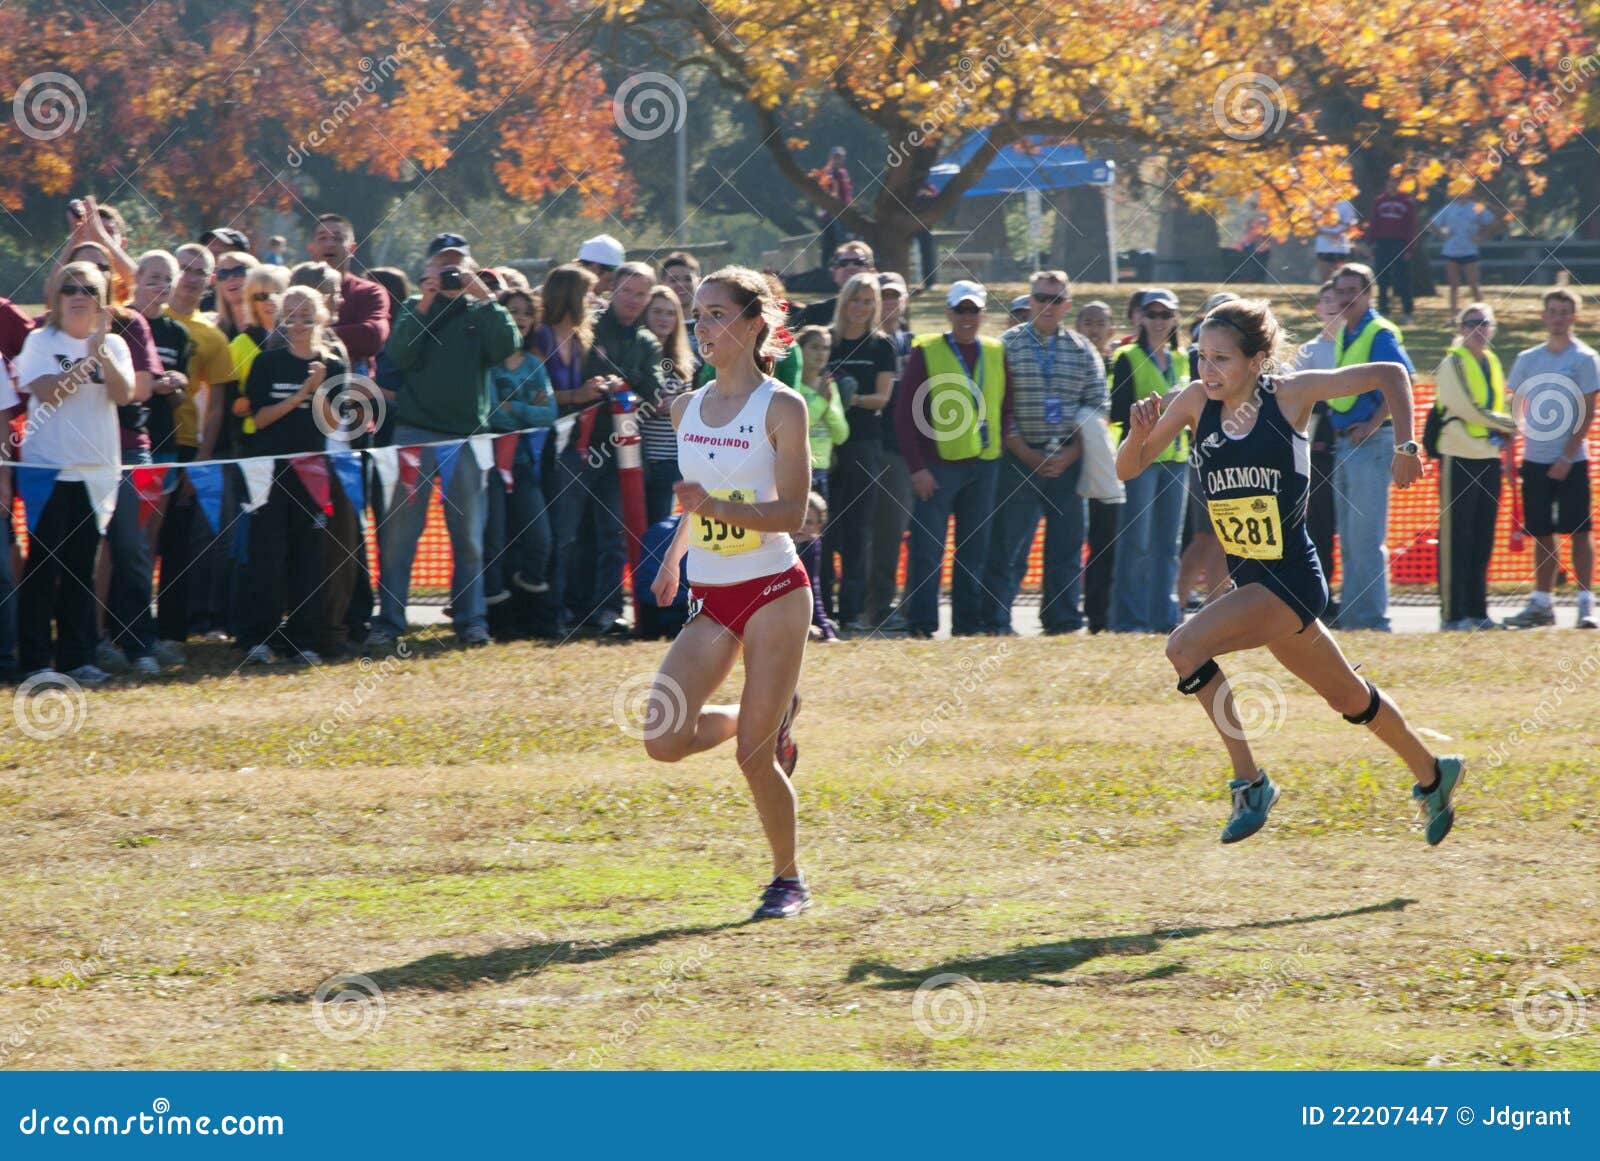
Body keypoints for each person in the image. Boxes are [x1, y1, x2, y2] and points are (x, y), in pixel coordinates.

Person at [1118, 297, 1465, 847]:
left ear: (1257, 360)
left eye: (1222, 360)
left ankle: (1251, 784)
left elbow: (1392, 372)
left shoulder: (1291, 396)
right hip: (1252, 582)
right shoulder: (1192, 402)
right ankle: (1433, 772)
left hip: (1292, 578)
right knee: (1349, 697)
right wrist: (1138, 433)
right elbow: (1128, 467)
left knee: (1184, 648)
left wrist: (1406, 444)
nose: (1208, 370)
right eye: (1201, 357)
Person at [643, 265, 813, 920]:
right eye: (697, 313)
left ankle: (787, 879)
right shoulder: (685, 406)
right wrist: (672, 556)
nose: (703, 326)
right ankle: (769, 717)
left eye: (717, 313)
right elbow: (695, 497)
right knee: (662, 736)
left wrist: (712, 503)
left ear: (752, 322)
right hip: (710, 595)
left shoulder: (782, 407)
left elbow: (794, 512)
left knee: (752, 754)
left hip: (774, 587)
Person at [369, 236, 520, 649]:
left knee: (469, 535)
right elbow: (399, 354)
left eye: (458, 265)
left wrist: (484, 296)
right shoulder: (413, 308)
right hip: (414, 435)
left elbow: (508, 347)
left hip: (467, 438)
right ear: (428, 269)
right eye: (443, 265)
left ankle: (471, 620)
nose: (451, 272)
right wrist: (427, 299)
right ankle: (390, 620)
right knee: (400, 534)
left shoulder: (481, 310)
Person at [14, 262, 137, 684]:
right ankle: (34, 659)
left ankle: (77, 658)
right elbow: (48, 392)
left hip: (96, 472)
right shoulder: (39, 341)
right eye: (70, 288)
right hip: (47, 469)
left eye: (88, 288)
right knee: (43, 568)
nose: (79, 295)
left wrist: (102, 352)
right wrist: (87, 361)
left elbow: (124, 395)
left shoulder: (115, 346)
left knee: (82, 569)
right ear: (56, 297)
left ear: (103, 300)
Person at [985, 270, 1106, 636]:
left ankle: (1063, 620)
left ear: (1067, 305)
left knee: (1067, 549)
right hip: (1019, 460)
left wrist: (1072, 453)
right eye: (1041, 297)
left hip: (1069, 462)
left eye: (1056, 299)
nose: (1047, 305)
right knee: (1010, 546)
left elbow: (1098, 405)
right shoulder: (1006, 345)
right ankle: (997, 621)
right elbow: (995, 406)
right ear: (1029, 300)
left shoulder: (1083, 350)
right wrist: (1024, 451)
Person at [896, 280, 1013, 638]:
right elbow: (903, 414)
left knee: (974, 550)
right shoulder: (927, 350)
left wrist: (1000, 444)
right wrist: (918, 468)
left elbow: (1007, 404)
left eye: (973, 310)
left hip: (984, 465)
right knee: (928, 551)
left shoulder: (995, 351)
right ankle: (921, 624)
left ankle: (967, 625)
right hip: (938, 468)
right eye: (960, 310)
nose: (966, 317)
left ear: (983, 314)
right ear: (948, 313)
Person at [238, 287, 345, 665]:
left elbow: (333, 423)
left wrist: (318, 391)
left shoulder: (334, 366)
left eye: (307, 315)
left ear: (322, 318)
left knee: (309, 556)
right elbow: (261, 418)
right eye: (291, 315)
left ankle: (305, 641)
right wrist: (303, 390)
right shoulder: (268, 363)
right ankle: (259, 638)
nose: (298, 323)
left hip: (313, 471)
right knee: (266, 554)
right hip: (269, 469)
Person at [560, 260, 665, 637]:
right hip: (575, 445)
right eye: (628, 291)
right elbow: (574, 374)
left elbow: (654, 387)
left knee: (612, 535)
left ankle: (606, 610)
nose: (634, 300)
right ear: (612, 290)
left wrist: (621, 381)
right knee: (570, 532)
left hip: (621, 452)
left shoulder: (647, 340)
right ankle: (567, 608)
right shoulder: (586, 327)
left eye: (642, 293)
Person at [1503, 288, 1599, 629]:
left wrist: (1567, 455)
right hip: (1534, 459)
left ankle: (1586, 603)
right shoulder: (1528, 359)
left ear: (1574, 317)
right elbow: (1514, 407)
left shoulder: (1585, 358)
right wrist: (1509, 451)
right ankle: (1542, 602)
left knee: (1579, 530)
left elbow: (1588, 412)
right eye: (1553, 311)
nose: (1558, 317)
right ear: (1543, 316)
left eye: (1564, 311)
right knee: (1541, 531)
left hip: (1572, 461)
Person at [1326, 262, 1413, 631]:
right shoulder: (1347, 331)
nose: (1347, 298)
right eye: (1341, 291)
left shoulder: (1378, 331)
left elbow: (1403, 377)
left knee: (1365, 540)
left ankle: (1373, 621)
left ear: (1369, 293)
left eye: (1353, 291)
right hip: (1347, 445)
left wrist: (1373, 424)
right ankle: (1353, 618)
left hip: (1370, 443)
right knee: (1348, 541)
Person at [1109, 288, 1189, 632]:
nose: (1158, 321)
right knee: (1136, 544)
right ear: (1140, 318)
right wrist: (1162, 403)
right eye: (1152, 314)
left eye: (1164, 315)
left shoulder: (1186, 359)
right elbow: (1116, 411)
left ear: (1174, 319)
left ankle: (1163, 619)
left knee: (1168, 545)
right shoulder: (1127, 355)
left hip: (1177, 459)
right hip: (1140, 460)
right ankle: (1130, 621)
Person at [1432, 303, 1516, 630]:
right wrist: (1510, 424)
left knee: (1482, 538)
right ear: (1460, 327)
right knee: (1456, 538)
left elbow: (1495, 404)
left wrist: (1504, 427)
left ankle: (1477, 612)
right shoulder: (1452, 362)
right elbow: (1466, 408)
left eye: (1484, 323)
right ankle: (1452, 614)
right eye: (1471, 323)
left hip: (1489, 458)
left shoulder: (1492, 361)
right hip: (1459, 456)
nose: (1478, 329)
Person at [821, 270, 896, 631]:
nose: (861, 308)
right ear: (843, 301)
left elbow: (883, 397)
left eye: (868, 302)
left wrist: (850, 397)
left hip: (864, 445)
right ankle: (821, 607)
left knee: (857, 529)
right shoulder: (827, 342)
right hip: (823, 446)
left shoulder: (880, 346)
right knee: (821, 526)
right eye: (855, 300)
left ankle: (851, 612)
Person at [484, 287, 557, 639]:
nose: (522, 318)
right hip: (492, 463)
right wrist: (524, 412)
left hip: (526, 463)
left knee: (540, 538)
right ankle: (500, 620)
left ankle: (532, 610)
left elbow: (549, 414)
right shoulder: (487, 366)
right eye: (513, 311)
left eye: (527, 312)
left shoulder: (534, 366)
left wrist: (517, 410)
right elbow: (493, 414)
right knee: (494, 539)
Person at [1177, 291, 1237, 613]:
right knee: (1211, 538)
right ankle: (1209, 609)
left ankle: (1195, 606)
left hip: (1228, 453)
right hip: (1210, 455)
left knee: (1213, 538)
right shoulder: (1197, 355)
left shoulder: (1237, 355)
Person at [1291, 281, 1343, 621]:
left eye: (1336, 300)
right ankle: (1321, 594)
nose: (1331, 306)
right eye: (1324, 300)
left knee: (1350, 526)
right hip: (1319, 450)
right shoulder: (1308, 352)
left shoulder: (1353, 346)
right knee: (1319, 523)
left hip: (1350, 445)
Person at [865, 272, 915, 630]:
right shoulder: (864, 343)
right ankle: (865, 605)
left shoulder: (916, 344)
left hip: (907, 450)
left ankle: (893, 606)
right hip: (869, 445)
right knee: (868, 531)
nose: (889, 302)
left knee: (895, 533)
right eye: (883, 295)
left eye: (895, 295)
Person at [306, 213, 392, 378]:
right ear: (311, 247)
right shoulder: (296, 289)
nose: (330, 244)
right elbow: (279, 338)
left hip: (353, 394)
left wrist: (310, 334)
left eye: (338, 239)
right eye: (322, 238)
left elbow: (373, 336)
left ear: (352, 248)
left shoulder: (370, 292)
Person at [1077, 300, 1119, 633]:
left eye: (1099, 323)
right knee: (1076, 539)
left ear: (1112, 329)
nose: (1093, 329)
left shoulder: (1121, 363)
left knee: (1106, 543)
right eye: (1087, 322)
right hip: (1083, 465)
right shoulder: (1076, 361)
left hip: (1119, 468)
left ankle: (1099, 613)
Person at [640, 284, 696, 523]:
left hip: (669, 459)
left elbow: (690, 415)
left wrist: (678, 405)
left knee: (659, 526)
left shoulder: (683, 361)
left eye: (670, 313)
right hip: (637, 457)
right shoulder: (636, 355)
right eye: (657, 311)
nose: (664, 318)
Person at [1430, 196, 1498, 315]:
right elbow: (1432, 223)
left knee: (1473, 284)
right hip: (1452, 250)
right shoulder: (1449, 208)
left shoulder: (1476, 206)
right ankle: (1453, 315)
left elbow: (1492, 222)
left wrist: (1483, 236)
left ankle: (1482, 314)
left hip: (1469, 250)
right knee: (1453, 285)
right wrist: (1442, 235)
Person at [1368, 174, 1417, 324]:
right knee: (1382, 278)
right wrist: (1370, 243)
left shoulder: (1406, 202)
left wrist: (1410, 248)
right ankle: (1383, 310)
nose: (1392, 186)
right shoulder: (1379, 201)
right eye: (1390, 183)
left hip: (1400, 243)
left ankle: (1407, 312)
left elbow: (1411, 226)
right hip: (1382, 243)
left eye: (1395, 183)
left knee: (1403, 279)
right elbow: (1373, 223)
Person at [790, 241, 874, 329]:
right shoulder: (814, 313)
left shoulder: (886, 307)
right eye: (843, 263)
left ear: (872, 271)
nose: (850, 267)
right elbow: (791, 340)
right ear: (834, 274)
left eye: (858, 262)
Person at [795, 491, 837, 642]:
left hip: (796, 609)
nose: (802, 527)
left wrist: (827, 634)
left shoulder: (812, 545)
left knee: (828, 627)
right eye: (799, 520)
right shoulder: (776, 544)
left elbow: (813, 590)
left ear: (818, 527)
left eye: (809, 522)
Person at [817, 146, 853, 261]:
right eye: (836, 157)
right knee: (833, 246)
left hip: (844, 214)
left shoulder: (843, 173)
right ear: (831, 158)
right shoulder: (828, 173)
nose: (838, 160)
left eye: (841, 157)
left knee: (842, 243)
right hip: (832, 216)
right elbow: (830, 193)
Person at [1313, 198, 1359, 281]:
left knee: (1341, 277)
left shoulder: (1345, 203)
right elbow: (1312, 224)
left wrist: (1339, 234)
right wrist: (1328, 234)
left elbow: (1351, 223)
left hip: (1341, 247)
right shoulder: (1318, 201)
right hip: (1323, 246)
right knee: (1325, 277)